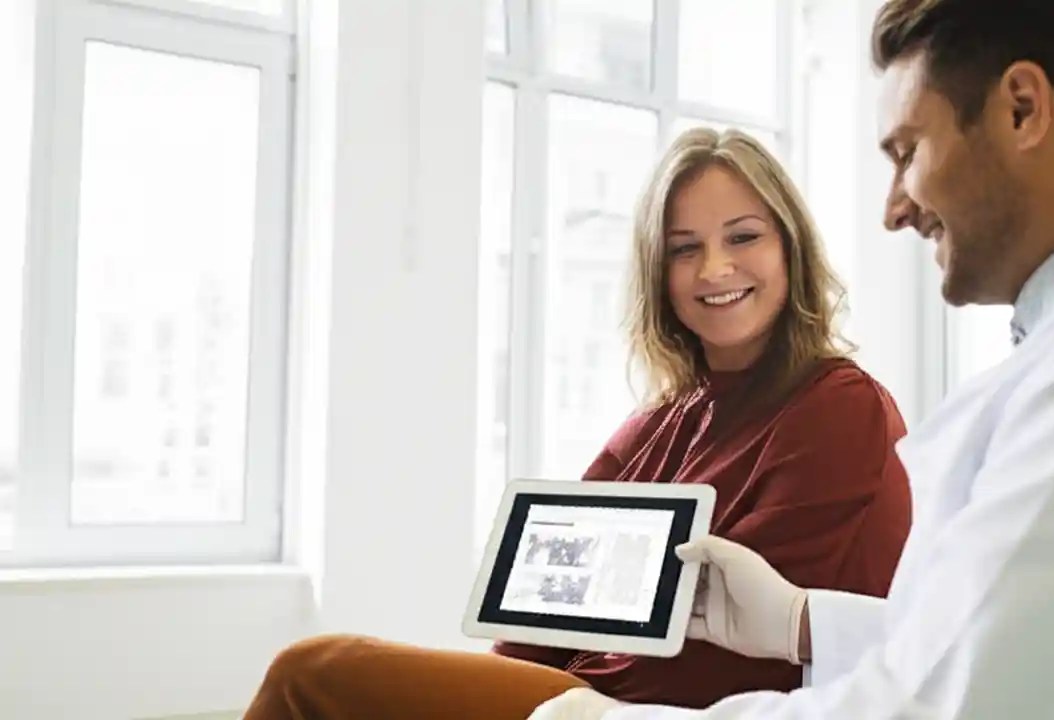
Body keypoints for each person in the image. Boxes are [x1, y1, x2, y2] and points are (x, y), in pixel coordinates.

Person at [531, 1, 1054, 718]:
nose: (895, 207)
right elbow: (992, 650)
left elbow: (942, 709)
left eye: (907, 152)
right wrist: (801, 622)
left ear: (1023, 109)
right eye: (684, 249)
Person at [242, 129, 913, 719]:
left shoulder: (841, 407)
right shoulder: (660, 422)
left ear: (790, 247)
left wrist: (544, 696)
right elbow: (541, 610)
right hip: (583, 699)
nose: (715, 268)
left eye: (743, 236)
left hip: (677, 710)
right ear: (659, 273)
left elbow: (729, 653)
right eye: (684, 249)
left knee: (313, 675)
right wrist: (494, 686)